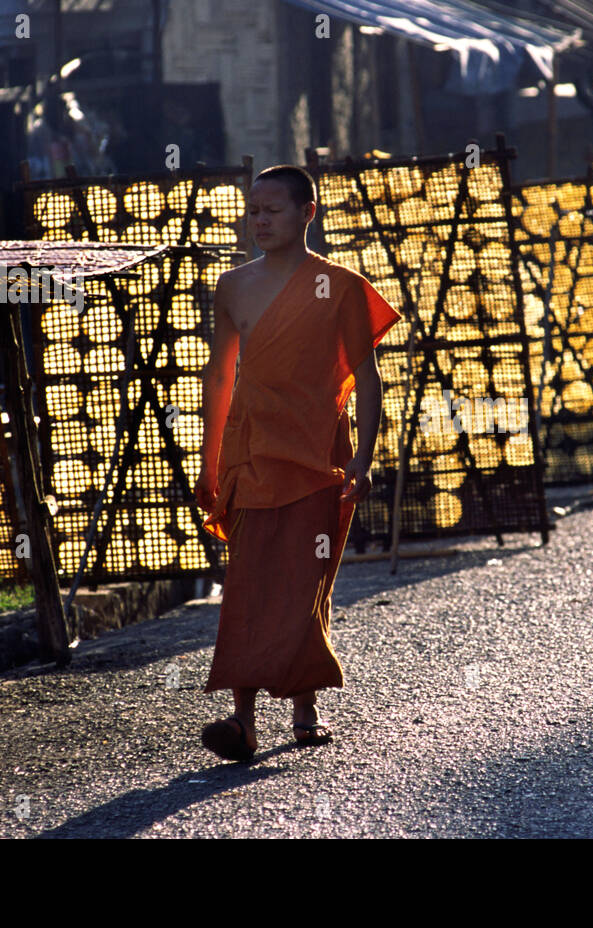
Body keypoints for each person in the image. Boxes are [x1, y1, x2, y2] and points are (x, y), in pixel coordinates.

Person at [194, 164, 401, 760]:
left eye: (273, 210)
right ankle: (242, 720)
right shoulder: (234, 287)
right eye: (253, 210)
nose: (259, 220)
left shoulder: (339, 286)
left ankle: (305, 708)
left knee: (305, 581)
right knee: (248, 586)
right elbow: (220, 376)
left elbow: (367, 379)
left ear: (307, 213)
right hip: (252, 454)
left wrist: (362, 459)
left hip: (317, 457)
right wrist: (209, 463)